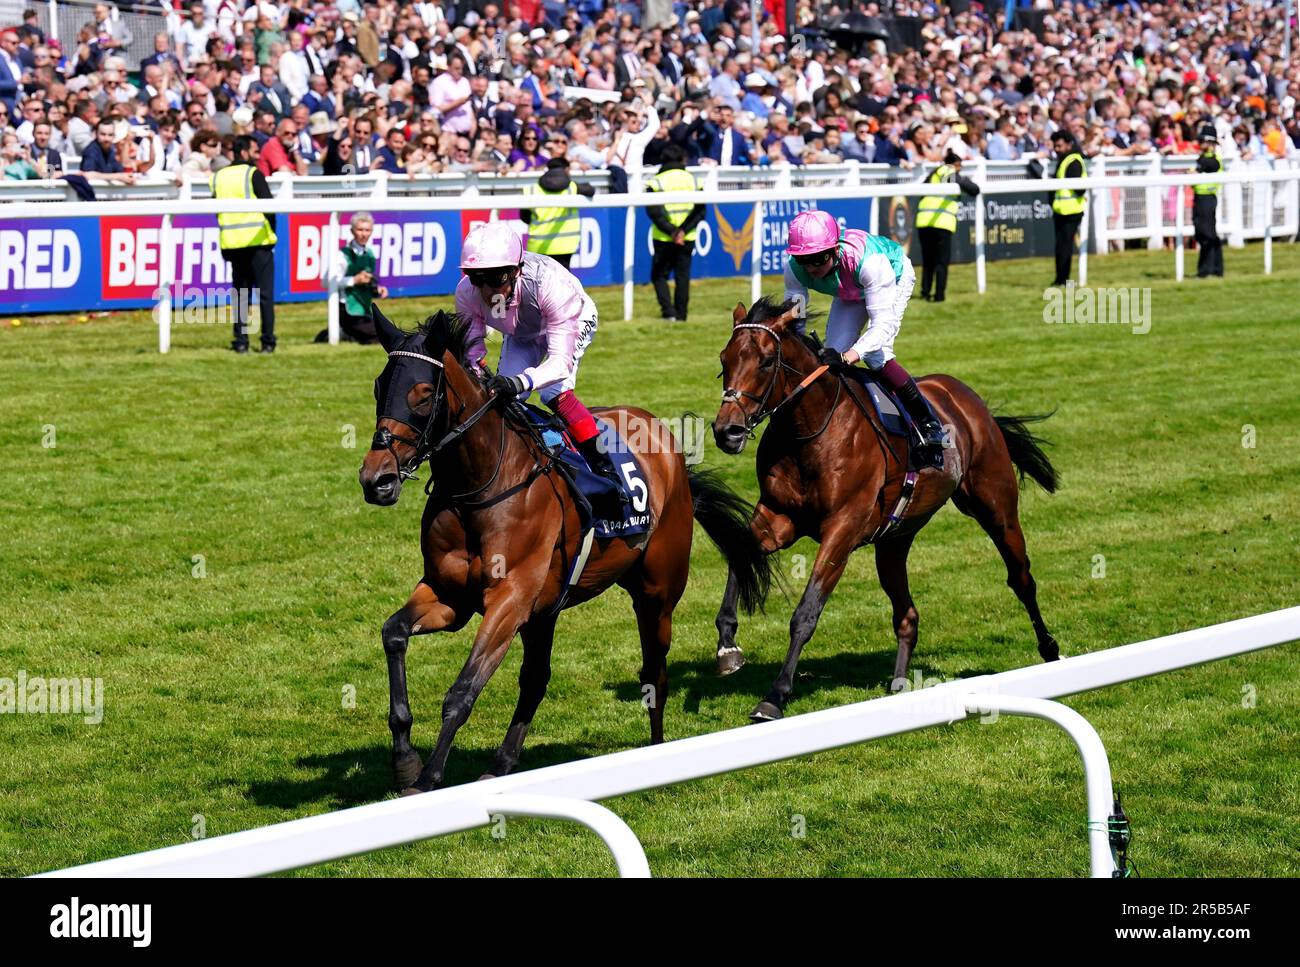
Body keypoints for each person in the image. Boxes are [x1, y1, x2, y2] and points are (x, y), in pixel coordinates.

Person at [454, 221, 619, 487]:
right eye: (477, 278)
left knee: (554, 394)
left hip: (572, 318)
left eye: (495, 278)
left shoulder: (550, 284)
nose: (486, 291)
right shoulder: (465, 292)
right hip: (522, 332)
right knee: (503, 400)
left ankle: (606, 470)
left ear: (516, 271)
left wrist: (520, 381)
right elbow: (472, 352)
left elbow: (559, 364)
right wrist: (480, 375)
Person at [782, 209, 944, 455]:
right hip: (849, 289)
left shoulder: (871, 263)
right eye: (804, 259)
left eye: (818, 258)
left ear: (835, 249)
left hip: (890, 276)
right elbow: (797, 318)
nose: (811, 268)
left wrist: (850, 356)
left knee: (876, 355)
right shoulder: (794, 268)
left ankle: (928, 422)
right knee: (830, 355)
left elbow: (882, 326)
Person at [211, 135, 277, 353]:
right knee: (265, 295)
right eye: (255, 151)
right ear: (245, 152)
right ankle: (267, 342)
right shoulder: (252, 173)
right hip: (258, 241)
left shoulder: (218, 176)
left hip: (232, 244)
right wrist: (272, 233)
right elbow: (269, 207)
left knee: (240, 295)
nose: (258, 155)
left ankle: (240, 341)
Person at [645, 144, 704, 322]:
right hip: (687, 236)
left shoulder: (656, 181)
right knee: (682, 276)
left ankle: (668, 312)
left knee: (659, 275)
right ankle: (681, 315)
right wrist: (682, 231)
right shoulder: (694, 180)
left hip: (663, 236)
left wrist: (672, 231)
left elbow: (654, 212)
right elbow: (700, 211)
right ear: (682, 159)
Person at [914, 151, 981, 303]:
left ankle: (925, 292)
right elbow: (972, 189)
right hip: (941, 222)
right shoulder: (947, 171)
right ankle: (939, 295)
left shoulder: (932, 175)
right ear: (954, 165)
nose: (959, 171)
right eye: (959, 167)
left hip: (924, 221)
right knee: (941, 261)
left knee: (928, 261)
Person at [321, 211, 386, 343]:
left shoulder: (370, 254)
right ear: (352, 231)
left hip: (363, 309)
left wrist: (377, 289)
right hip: (347, 309)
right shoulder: (342, 255)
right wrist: (354, 280)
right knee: (378, 337)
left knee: (384, 332)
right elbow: (327, 282)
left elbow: (367, 283)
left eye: (367, 230)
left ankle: (347, 333)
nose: (364, 234)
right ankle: (344, 331)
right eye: (360, 229)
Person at [523, 155, 594, 269]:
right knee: (561, 284)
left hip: (538, 246)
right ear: (566, 169)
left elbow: (525, 217)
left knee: (538, 285)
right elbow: (591, 190)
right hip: (565, 246)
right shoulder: (573, 187)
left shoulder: (531, 189)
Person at [1048, 130, 1087, 287]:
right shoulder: (1065, 160)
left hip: (1072, 211)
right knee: (1060, 247)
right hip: (1061, 210)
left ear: (1069, 145)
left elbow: (1079, 188)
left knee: (1065, 247)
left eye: (1059, 146)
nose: (1056, 149)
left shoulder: (1073, 161)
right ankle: (1060, 279)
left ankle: (1064, 280)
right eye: (1055, 146)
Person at [1193, 129, 1224, 279]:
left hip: (1207, 198)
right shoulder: (1204, 158)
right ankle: (1214, 269)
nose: (1200, 144)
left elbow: (1203, 169)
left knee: (1206, 235)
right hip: (1202, 198)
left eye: (1202, 141)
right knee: (1206, 234)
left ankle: (1207, 270)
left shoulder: (1211, 160)